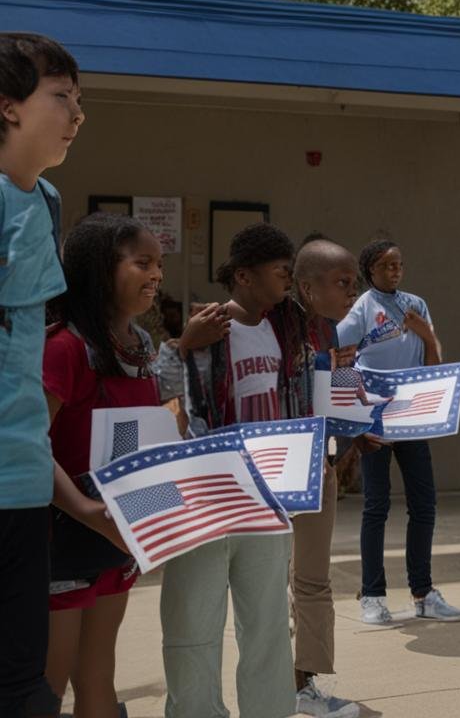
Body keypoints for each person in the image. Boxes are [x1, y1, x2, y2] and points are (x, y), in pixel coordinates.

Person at [156, 222, 299, 718]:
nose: (288, 280)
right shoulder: (210, 327)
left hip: (266, 496)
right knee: (193, 624)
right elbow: (161, 395)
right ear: (243, 275)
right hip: (206, 497)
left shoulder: (283, 328)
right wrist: (183, 344)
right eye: (281, 271)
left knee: (268, 626)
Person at [42, 214, 160, 717]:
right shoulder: (64, 348)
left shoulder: (142, 347)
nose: (156, 275)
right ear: (99, 270)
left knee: (98, 678)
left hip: (117, 536)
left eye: (159, 264)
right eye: (143, 263)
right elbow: (29, 446)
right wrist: (88, 510)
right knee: (45, 689)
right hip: (61, 539)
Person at [0, 31, 83, 718]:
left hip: (25, 487)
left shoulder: (47, 200)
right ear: (8, 106)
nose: (77, 114)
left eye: (80, 99)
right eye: (60, 96)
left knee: (25, 689)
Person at [338, 240, 460, 625]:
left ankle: (423, 593)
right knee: (376, 506)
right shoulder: (363, 308)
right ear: (370, 270)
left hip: (413, 414)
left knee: (424, 504)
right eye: (387, 265)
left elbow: (434, 366)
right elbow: (341, 359)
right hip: (375, 416)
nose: (395, 271)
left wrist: (426, 335)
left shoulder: (416, 305)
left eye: (399, 265)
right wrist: (353, 417)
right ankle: (372, 596)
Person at [288, 237, 363, 717]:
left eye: (354, 284)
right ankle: (275, 683)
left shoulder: (333, 334)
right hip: (278, 465)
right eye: (342, 283)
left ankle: (306, 683)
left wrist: (354, 437)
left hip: (321, 465)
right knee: (269, 582)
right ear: (307, 288)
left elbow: (339, 398)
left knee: (313, 579)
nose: (352, 293)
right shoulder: (276, 330)